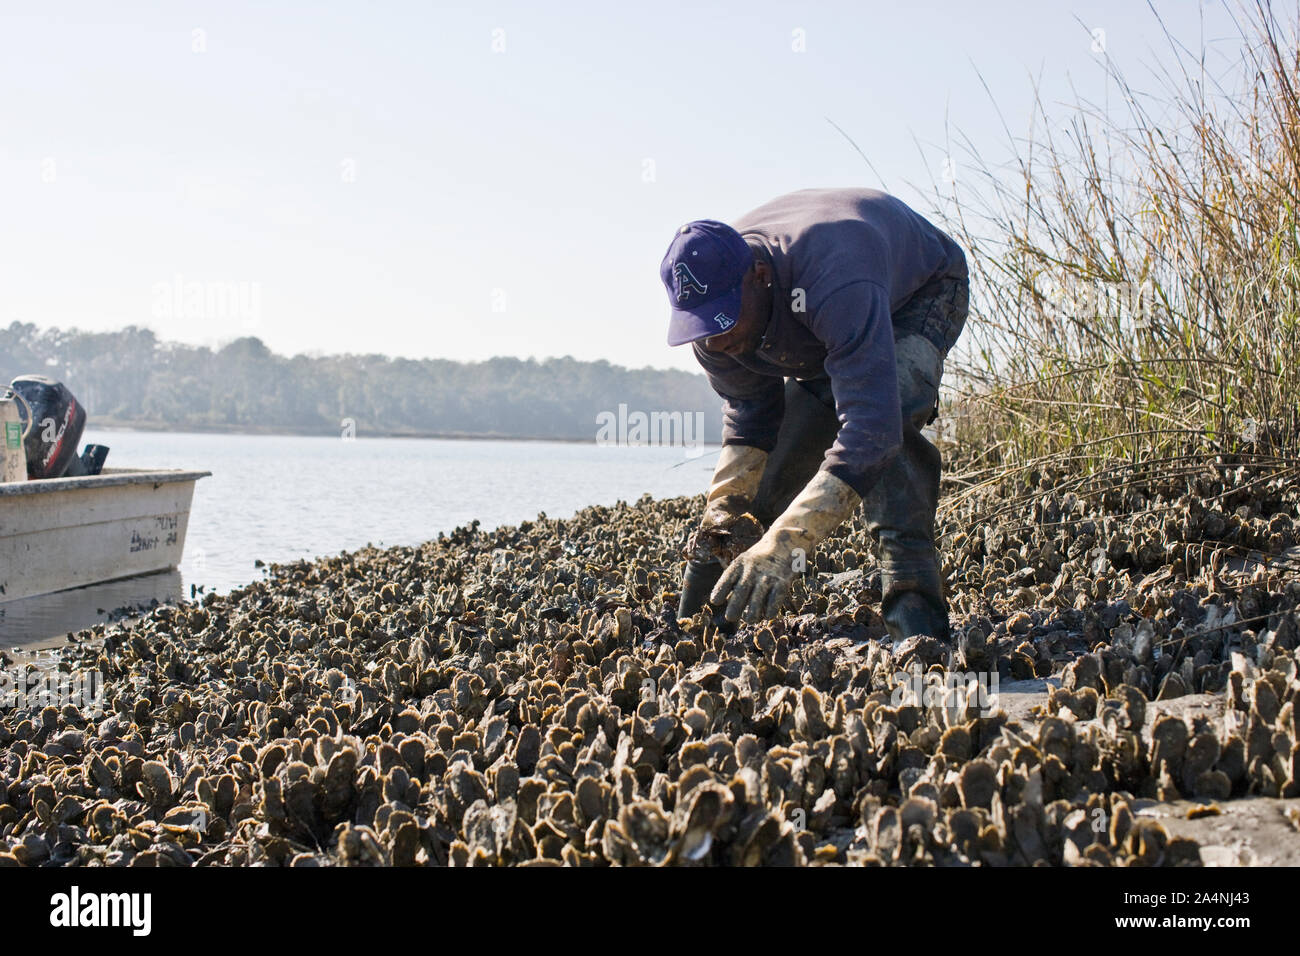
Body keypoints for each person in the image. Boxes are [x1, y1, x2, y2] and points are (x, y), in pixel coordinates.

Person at [661, 187, 968, 643]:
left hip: (917, 292)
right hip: (818, 326)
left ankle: (917, 626)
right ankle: (698, 626)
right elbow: (751, 419)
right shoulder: (711, 331)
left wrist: (786, 548)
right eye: (702, 328)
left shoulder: (835, 277)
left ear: (759, 276)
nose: (715, 341)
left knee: (891, 423)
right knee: (771, 480)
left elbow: (871, 431)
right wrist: (724, 515)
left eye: (723, 320)